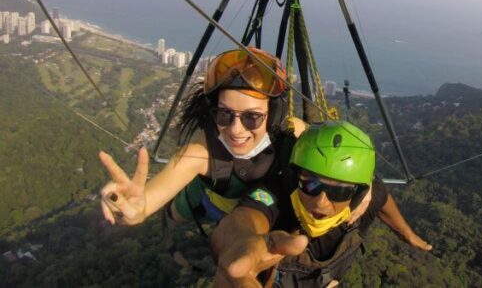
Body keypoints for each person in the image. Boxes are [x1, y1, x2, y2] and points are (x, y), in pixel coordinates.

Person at [212, 121, 432, 288]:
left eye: (338, 191)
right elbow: (245, 218)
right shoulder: (277, 196)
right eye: (311, 184)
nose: (320, 202)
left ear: (358, 194)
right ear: (295, 176)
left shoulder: (363, 203)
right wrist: (237, 244)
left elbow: (383, 199)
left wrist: (406, 234)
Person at [98, 47, 303, 226]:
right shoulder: (199, 153)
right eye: (225, 114)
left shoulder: (293, 132)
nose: (235, 129)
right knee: (177, 214)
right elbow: (144, 206)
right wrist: (136, 210)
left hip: (250, 212)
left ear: (274, 115)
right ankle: (189, 196)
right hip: (212, 203)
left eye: (252, 117)